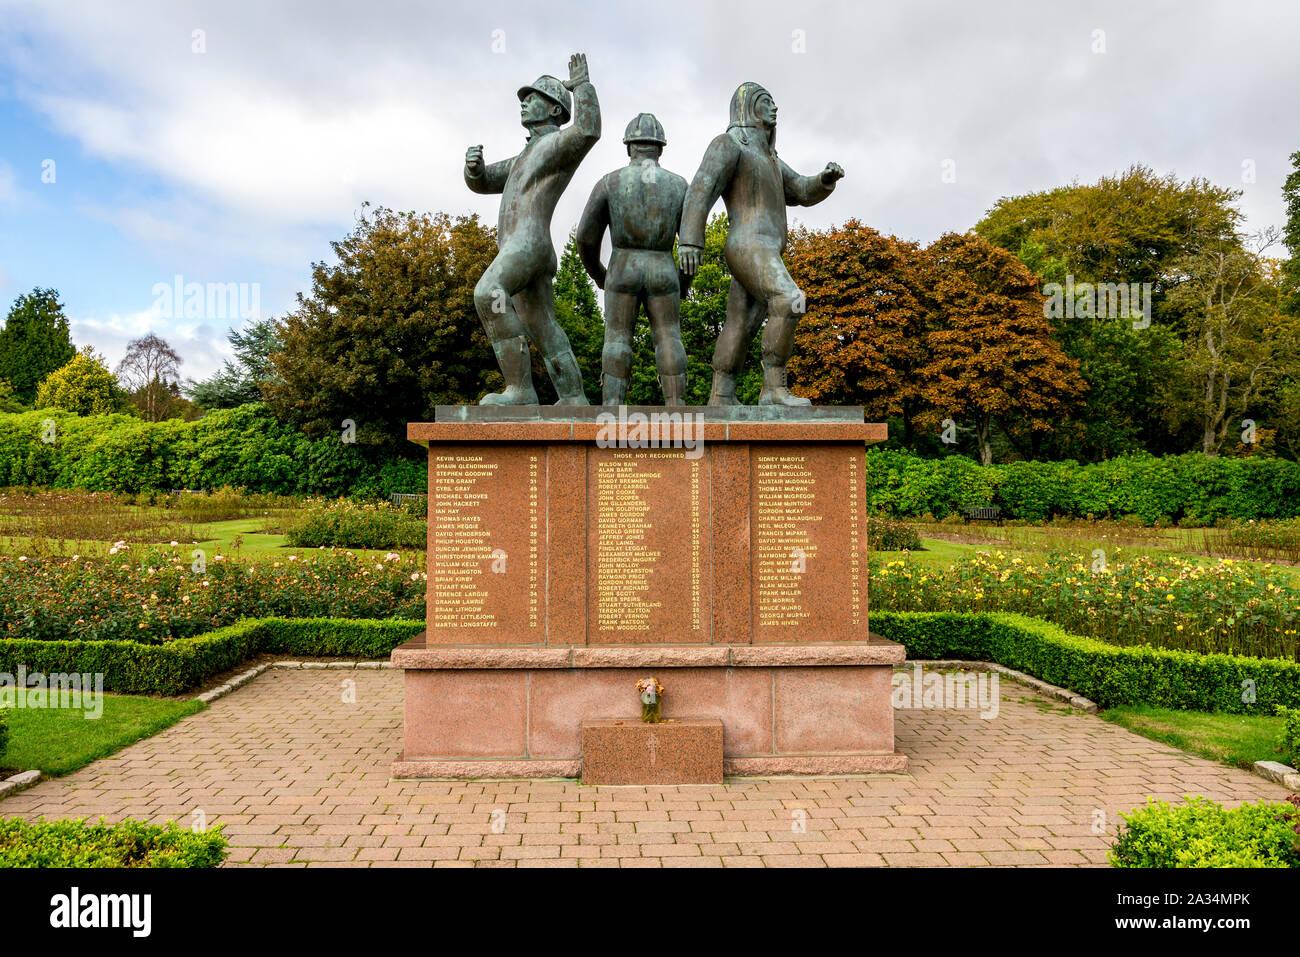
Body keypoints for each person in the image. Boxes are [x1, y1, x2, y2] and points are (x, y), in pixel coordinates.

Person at [678, 82, 844, 406]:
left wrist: (825, 181)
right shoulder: (728, 144)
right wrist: (690, 241)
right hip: (748, 245)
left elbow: (800, 189)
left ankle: (721, 395)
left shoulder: (770, 159)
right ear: (750, 107)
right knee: (789, 299)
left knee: (741, 323)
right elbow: (701, 189)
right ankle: (773, 389)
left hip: (765, 248)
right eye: (767, 102)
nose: (774, 108)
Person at [464, 53, 600, 405]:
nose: (524, 103)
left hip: (528, 243)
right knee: (544, 327)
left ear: (555, 110)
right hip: (526, 249)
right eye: (524, 99)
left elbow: (588, 129)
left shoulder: (556, 145)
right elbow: (482, 183)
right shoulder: (526, 154)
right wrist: (475, 171)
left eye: (533, 98)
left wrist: (582, 85)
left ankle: (520, 390)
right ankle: (573, 397)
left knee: (487, 293)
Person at [575, 113, 690, 406]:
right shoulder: (679, 186)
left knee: (616, 338)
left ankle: (612, 407)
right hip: (663, 267)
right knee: (668, 337)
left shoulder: (609, 183)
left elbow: (585, 238)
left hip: (622, 267)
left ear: (629, 147)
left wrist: (599, 274)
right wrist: (682, 282)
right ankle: (676, 406)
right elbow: (691, 244)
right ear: (660, 148)